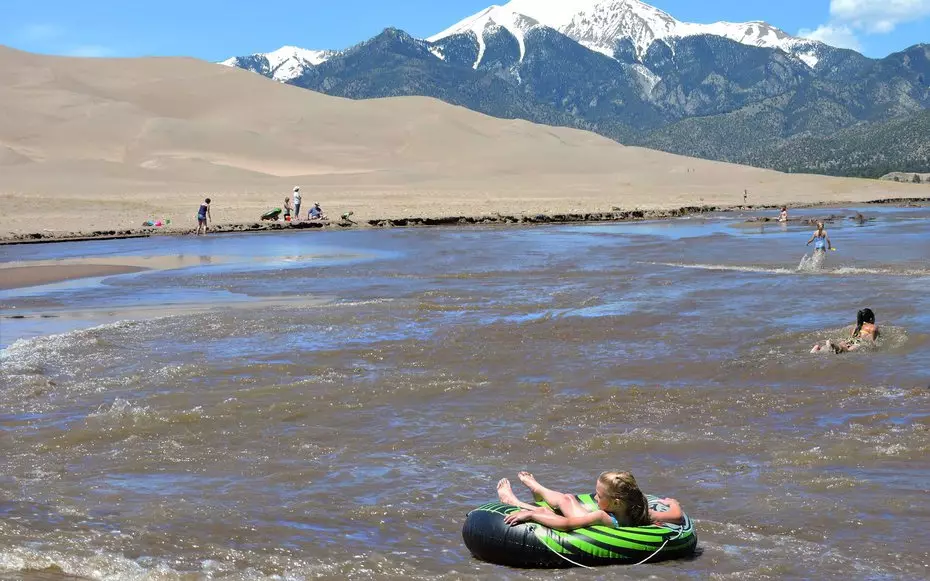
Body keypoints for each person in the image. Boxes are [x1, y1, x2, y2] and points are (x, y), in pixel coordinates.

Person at [496, 471, 683, 532]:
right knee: (566, 499)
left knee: (564, 502)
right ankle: (538, 490)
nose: (594, 498)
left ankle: (514, 502)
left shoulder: (601, 516)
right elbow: (677, 516)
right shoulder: (639, 512)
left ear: (616, 503)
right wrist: (673, 503)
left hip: (588, 524)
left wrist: (531, 515)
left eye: (599, 496)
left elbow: (567, 524)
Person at [811, 308, 879, 354]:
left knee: (843, 345)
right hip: (858, 342)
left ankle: (818, 349)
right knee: (847, 350)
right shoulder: (872, 327)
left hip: (850, 340)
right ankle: (833, 346)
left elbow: (852, 337)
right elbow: (873, 339)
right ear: (871, 319)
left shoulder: (857, 326)